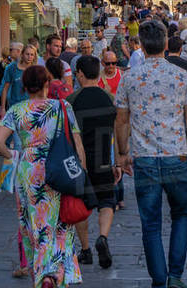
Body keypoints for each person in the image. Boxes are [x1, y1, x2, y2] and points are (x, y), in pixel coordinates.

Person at [115, 21, 187, 288]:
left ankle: (159, 279)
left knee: (151, 223)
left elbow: (121, 121)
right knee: (181, 215)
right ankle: (175, 275)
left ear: (141, 46)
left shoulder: (129, 77)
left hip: (144, 158)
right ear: (166, 44)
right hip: (176, 156)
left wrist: (122, 154)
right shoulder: (180, 76)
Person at [0, 65, 87, 288]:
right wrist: (81, 171)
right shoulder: (63, 107)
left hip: (28, 169)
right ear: (47, 83)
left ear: (24, 87)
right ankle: (55, 276)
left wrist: (15, 154)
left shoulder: (17, 110)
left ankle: (42, 274)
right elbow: (77, 143)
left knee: (34, 223)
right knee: (60, 223)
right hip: (58, 168)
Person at [69, 55, 120, 269]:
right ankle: (103, 237)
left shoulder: (72, 101)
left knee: (80, 204)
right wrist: (118, 161)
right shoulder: (109, 98)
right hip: (103, 158)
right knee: (107, 201)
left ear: (80, 73)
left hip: (79, 160)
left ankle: (86, 249)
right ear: (98, 72)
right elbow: (116, 132)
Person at [0, 43, 38, 118]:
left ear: (34, 57)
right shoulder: (12, 68)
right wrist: (3, 108)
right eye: (27, 54)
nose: (29, 57)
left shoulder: (35, 70)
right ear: (22, 54)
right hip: (14, 107)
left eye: (32, 55)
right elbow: (5, 88)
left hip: (30, 108)